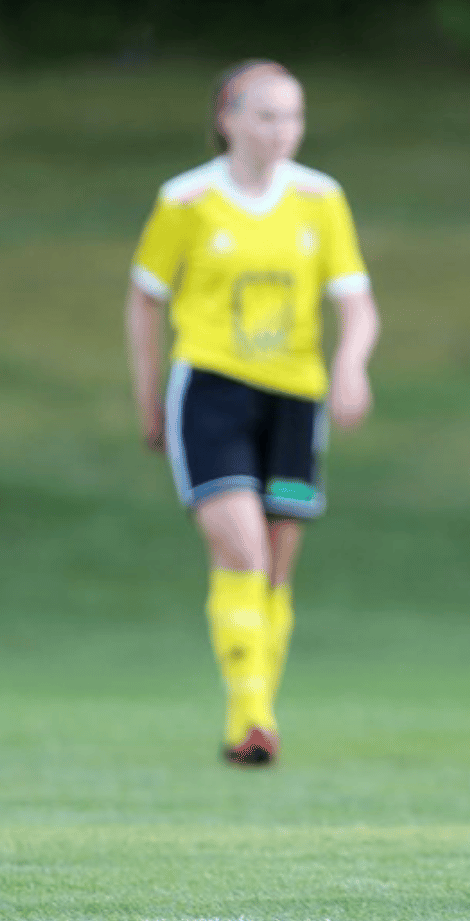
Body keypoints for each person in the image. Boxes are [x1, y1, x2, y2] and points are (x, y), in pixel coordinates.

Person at [124, 59, 379, 767]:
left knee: (276, 566)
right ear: (227, 118)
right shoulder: (186, 201)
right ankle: (253, 716)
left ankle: (254, 711)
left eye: (292, 115)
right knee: (243, 547)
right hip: (212, 394)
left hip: (296, 405)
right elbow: (145, 297)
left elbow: (355, 302)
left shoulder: (320, 199)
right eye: (265, 114)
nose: (280, 130)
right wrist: (148, 395)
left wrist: (350, 363)